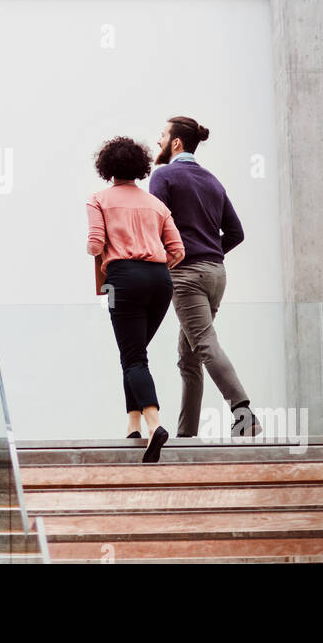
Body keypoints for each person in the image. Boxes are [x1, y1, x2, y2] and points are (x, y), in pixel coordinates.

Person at [149, 116, 261, 439]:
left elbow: (156, 228)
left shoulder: (164, 176)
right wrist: (211, 250)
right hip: (216, 274)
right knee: (189, 357)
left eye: (162, 135)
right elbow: (236, 232)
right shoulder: (213, 181)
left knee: (204, 343)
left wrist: (180, 256)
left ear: (176, 143)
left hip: (186, 275)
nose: (158, 141)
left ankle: (243, 410)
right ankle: (187, 436)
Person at [87, 136, 186, 462]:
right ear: (140, 167)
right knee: (134, 352)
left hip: (123, 280)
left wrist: (109, 255)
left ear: (107, 168)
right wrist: (155, 264)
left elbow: (95, 243)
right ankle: (133, 425)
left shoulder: (98, 200)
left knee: (133, 357)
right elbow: (178, 251)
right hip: (160, 281)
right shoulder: (157, 204)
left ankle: (154, 423)